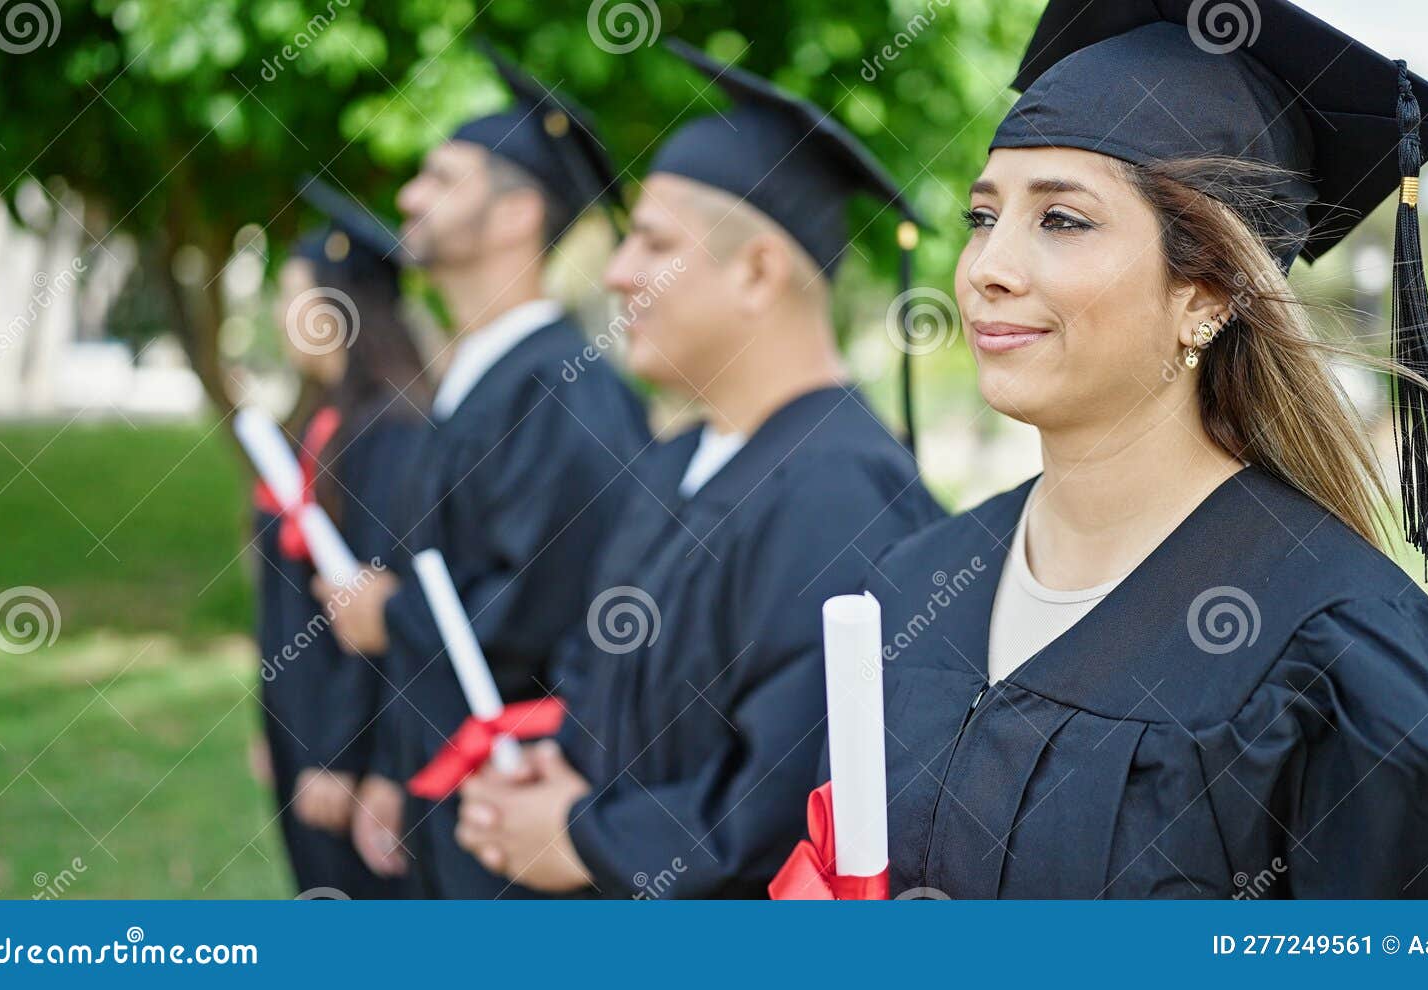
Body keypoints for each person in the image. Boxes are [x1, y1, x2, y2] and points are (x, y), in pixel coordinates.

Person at [787, 0, 1428, 898]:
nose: (986, 267)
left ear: (1208, 292)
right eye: (981, 217)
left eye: (1063, 220)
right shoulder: (914, 584)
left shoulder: (1338, 655)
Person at [451, 39, 945, 899]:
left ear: (758, 271)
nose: (615, 272)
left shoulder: (841, 494)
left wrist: (583, 839)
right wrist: (551, 771)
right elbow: (607, 677)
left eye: (651, 242)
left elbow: (795, 800)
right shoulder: (679, 458)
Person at [316, 51, 650, 898]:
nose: (408, 198)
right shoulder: (476, 384)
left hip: (523, 808)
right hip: (448, 792)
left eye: (442, 179)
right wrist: (395, 767)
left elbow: (547, 603)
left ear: (517, 214)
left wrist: (392, 611)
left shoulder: (567, 392)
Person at [253, 182, 429, 898]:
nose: (280, 313)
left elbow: (377, 612)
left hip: (346, 755)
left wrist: (343, 756)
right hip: (301, 731)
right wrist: (275, 729)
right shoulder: (315, 425)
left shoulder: (391, 435)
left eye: (295, 294)